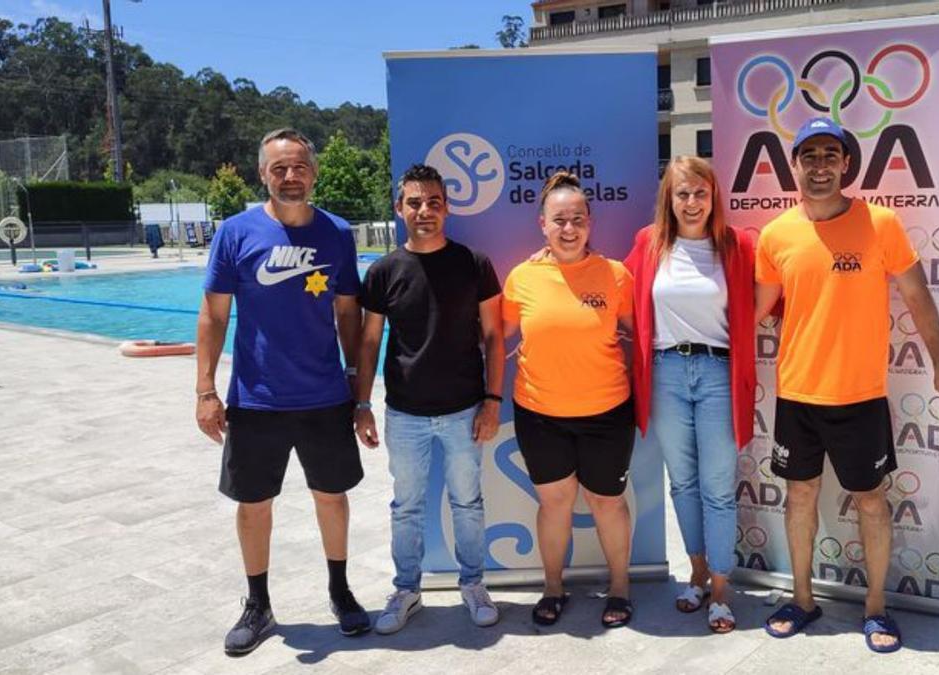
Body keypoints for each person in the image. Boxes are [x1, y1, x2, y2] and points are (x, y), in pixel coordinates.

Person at [754, 117, 939, 653]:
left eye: (831, 155)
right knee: (799, 496)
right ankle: (802, 599)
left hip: (860, 396)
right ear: (794, 165)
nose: (820, 166)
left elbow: (917, 297)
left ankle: (875, 607)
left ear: (846, 164)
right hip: (796, 394)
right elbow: (757, 311)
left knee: (871, 500)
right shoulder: (776, 235)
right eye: (810, 156)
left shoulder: (881, 224)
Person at [195, 128, 370, 656]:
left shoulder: (338, 233)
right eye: (279, 168)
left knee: (331, 497)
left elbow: (348, 313)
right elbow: (214, 314)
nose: (290, 177)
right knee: (253, 504)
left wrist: (359, 391)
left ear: (313, 173)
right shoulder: (235, 232)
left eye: (298, 167)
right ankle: (258, 604)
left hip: (323, 396)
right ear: (262, 174)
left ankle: (340, 592)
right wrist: (206, 389)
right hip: (256, 398)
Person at [354, 163, 504, 633]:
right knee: (407, 507)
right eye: (415, 203)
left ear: (447, 208)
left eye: (434, 202)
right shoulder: (383, 272)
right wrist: (361, 405)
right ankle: (406, 589)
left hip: (464, 410)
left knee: (468, 503)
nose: (425, 211)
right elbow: (369, 342)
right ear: (399, 209)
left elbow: (495, 337)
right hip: (405, 413)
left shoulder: (474, 264)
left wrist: (493, 400)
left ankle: (474, 584)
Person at [623, 156, 756, 633]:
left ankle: (721, 587)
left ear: (713, 196)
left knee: (718, 487)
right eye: (683, 193)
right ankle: (697, 570)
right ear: (669, 199)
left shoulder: (738, 246)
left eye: (701, 192)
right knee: (681, 481)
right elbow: (613, 284)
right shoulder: (650, 243)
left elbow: (778, 288)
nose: (692, 202)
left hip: (719, 371)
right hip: (666, 372)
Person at [502, 172, 637, 629]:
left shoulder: (616, 275)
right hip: (541, 415)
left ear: (590, 222)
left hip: (607, 413)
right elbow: (494, 339)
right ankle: (553, 588)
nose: (568, 228)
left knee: (608, 503)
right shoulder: (521, 278)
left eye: (577, 219)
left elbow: (639, 335)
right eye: (559, 219)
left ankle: (619, 587)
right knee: (555, 504)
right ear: (543, 223)